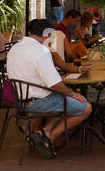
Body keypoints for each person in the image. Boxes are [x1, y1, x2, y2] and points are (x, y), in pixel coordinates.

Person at [5, 19, 91, 159]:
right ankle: (49, 137)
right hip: (39, 102)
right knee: (86, 108)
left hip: (20, 101)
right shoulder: (41, 51)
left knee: (61, 101)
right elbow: (54, 84)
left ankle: (43, 132)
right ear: (46, 35)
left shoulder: (14, 48)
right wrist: (72, 93)